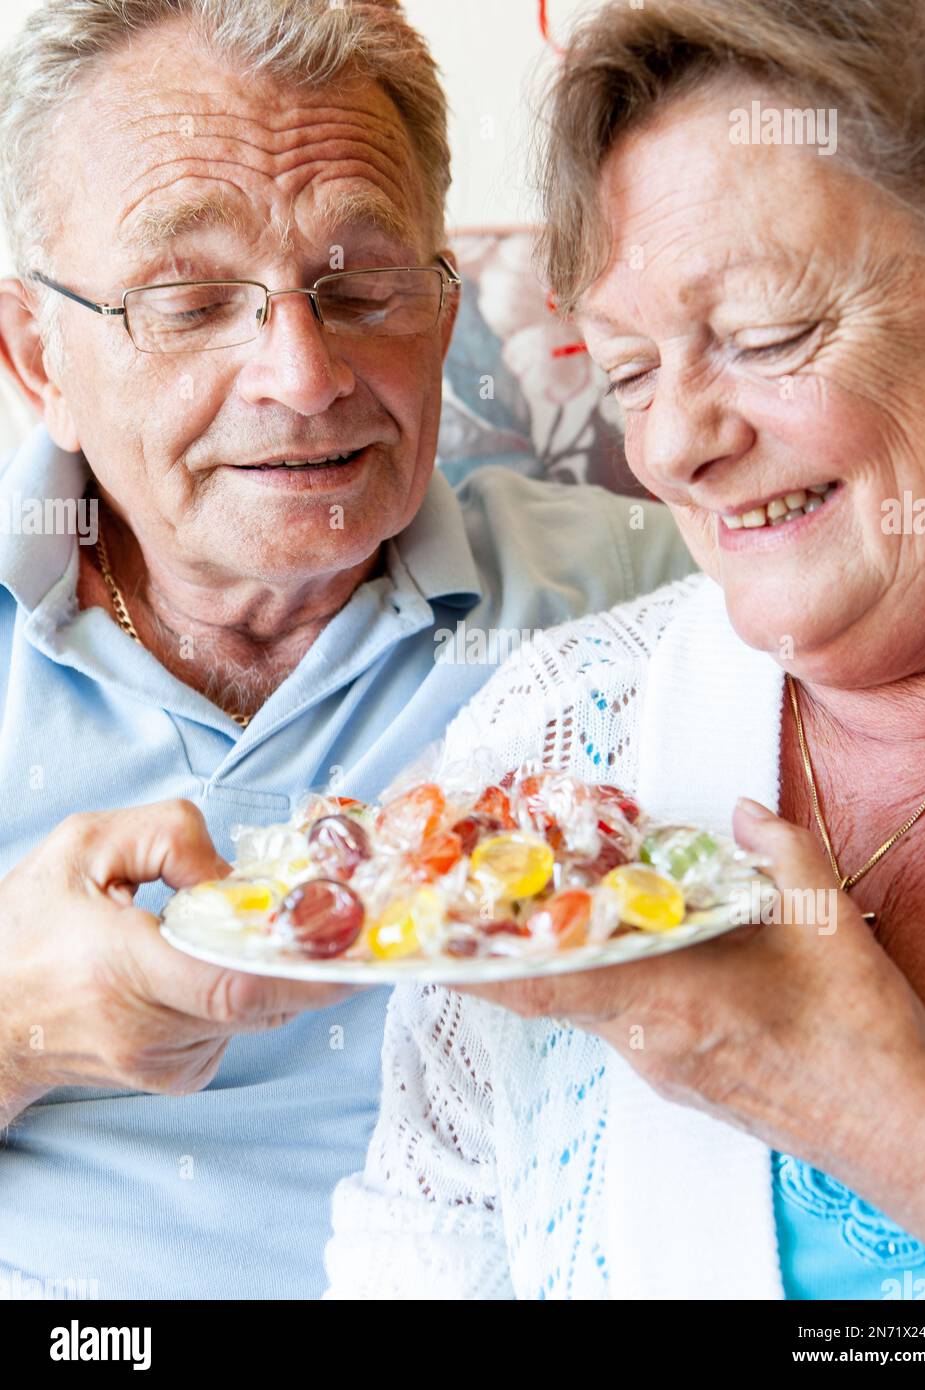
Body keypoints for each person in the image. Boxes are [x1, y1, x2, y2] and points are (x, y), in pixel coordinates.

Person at [0, 0, 692, 1299]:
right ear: (38, 356)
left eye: (360, 286)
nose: (302, 373)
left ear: (439, 305)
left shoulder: (638, 595)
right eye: (192, 300)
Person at [323, 0, 925, 1300]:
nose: (670, 445)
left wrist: (884, 1119)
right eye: (626, 373)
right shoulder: (555, 738)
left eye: (764, 334)